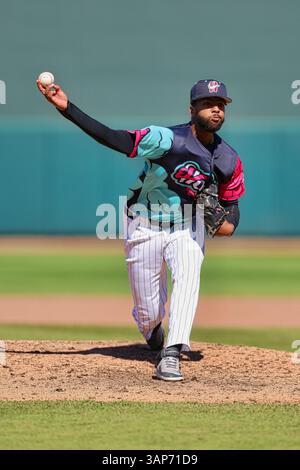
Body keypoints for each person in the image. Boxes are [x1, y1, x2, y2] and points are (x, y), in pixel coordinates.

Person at [36, 78, 245, 382]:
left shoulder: (229, 159)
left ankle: (172, 353)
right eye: (207, 104)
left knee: (189, 276)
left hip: (187, 224)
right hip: (144, 224)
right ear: (192, 109)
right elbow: (113, 138)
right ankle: (153, 332)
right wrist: (67, 108)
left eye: (220, 105)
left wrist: (229, 224)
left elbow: (231, 205)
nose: (215, 110)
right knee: (148, 313)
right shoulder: (165, 139)